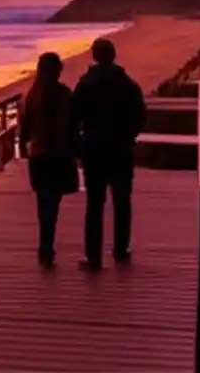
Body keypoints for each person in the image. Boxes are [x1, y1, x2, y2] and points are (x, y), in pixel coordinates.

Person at [72, 37, 145, 269]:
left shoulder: (85, 83)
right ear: (113, 56)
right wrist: (129, 136)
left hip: (94, 150)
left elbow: (74, 118)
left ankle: (94, 257)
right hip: (121, 149)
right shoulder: (127, 84)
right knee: (122, 201)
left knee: (94, 204)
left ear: (94, 56)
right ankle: (121, 249)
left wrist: (78, 144)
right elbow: (140, 115)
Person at [18, 52, 80, 268]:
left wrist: (22, 148)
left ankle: (45, 245)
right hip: (58, 155)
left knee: (43, 202)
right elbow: (74, 125)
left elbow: (24, 127)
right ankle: (46, 245)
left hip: (39, 155)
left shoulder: (32, 95)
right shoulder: (64, 94)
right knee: (52, 203)